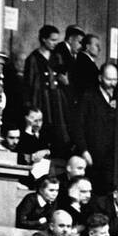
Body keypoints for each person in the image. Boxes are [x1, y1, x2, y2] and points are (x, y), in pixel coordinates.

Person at [70, 61, 118, 195]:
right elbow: (77, 126)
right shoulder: (88, 97)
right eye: (109, 79)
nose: (112, 84)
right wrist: (84, 150)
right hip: (93, 156)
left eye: (115, 80)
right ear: (100, 78)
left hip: (112, 158)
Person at [24, 25, 70, 156]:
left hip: (56, 98)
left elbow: (63, 77)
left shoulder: (57, 57)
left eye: (57, 40)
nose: (55, 43)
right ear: (44, 39)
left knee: (59, 127)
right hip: (41, 98)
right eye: (52, 40)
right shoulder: (33, 58)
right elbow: (29, 83)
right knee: (42, 126)